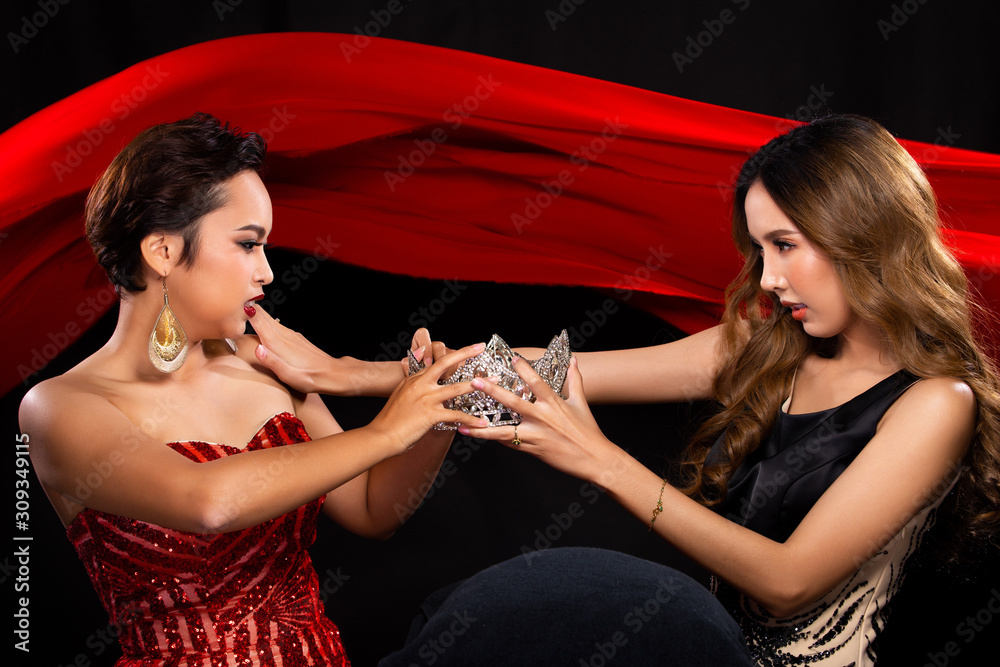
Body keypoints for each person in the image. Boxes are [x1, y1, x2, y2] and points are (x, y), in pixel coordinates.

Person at [254, 115, 1000, 665]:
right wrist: (348, 372)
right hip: (694, 649)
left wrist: (597, 457)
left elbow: (788, 583)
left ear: (861, 234)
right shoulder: (764, 344)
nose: (768, 278)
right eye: (759, 248)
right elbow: (549, 369)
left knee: (594, 590)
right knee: (516, 610)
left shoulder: (936, 403)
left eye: (785, 247)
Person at [18, 113, 492, 666]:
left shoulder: (264, 363)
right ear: (164, 252)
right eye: (247, 245)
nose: (266, 272)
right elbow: (207, 503)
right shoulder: (57, 407)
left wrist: (437, 410)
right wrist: (389, 429)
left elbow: (372, 509)